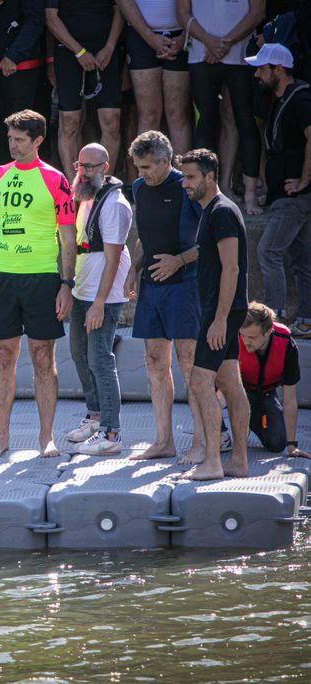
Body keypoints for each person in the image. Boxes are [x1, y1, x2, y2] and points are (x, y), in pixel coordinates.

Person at [0, 109, 76, 459]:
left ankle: (46, 437)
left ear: (38, 141)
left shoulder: (55, 179)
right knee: (3, 356)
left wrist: (66, 283)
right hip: (2, 274)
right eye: (10, 138)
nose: (12, 145)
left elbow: (67, 235)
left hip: (42, 276)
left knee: (43, 356)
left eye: (19, 139)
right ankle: (1, 437)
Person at [124, 130, 207, 462]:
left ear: (164, 161)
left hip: (185, 283)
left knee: (189, 364)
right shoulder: (139, 188)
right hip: (152, 286)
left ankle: (202, 441)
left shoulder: (187, 187)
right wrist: (134, 268)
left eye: (146, 167)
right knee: (154, 362)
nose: (141, 174)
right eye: (137, 168)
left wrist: (179, 261)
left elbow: (213, 241)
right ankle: (163, 440)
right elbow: (145, 235)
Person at [178, 148, 250, 481]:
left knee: (200, 380)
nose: (185, 184)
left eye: (191, 177)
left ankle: (212, 462)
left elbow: (232, 268)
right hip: (220, 308)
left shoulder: (221, 212)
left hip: (223, 310)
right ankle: (238, 461)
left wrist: (220, 319)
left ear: (210, 176)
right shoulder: (209, 211)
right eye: (185, 177)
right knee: (230, 383)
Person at [66, 142, 132, 455]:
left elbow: (114, 257)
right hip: (83, 287)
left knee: (100, 359)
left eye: (91, 166)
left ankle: (111, 432)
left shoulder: (115, 204)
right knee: (78, 353)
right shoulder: (84, 196)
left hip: (103, 294)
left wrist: (99, 304)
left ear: (105, 168)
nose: (84, 171)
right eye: (81, 165)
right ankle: (94, 416)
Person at [246, 43, 311, 339]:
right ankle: (306, 321)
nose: (257, 74)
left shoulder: (300, 98)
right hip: (285, 196)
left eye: (262, 68)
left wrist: (303, 181)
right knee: (302, 258)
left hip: (295, 197)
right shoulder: (278, 100)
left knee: (268, 250)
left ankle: (273, 318)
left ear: (279, 70)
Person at [179, 0, 264, 216]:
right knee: (206, 120)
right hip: (201, 53)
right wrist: (210, 42)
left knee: (244, 120)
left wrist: (224, 43)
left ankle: (248, 195)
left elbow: (257, 12)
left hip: (240, 56)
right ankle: (204, 192)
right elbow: (182, 12)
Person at [45, 0, 124, 181]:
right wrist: (79, 52)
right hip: (68, 52)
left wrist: (110, 47)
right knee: (69, 122)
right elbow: (50, 17)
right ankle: (76, 187)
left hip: (106, 52)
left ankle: (103, 186)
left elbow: (120, 9)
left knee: (112, 121)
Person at [114, 0, 190, 155]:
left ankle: (183, 176)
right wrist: (149, 37)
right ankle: (146, 175)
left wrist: (185, 35)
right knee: (148, 114)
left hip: (181, 35)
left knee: (178, 114)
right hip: (140, 35)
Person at [0, 0, 45, 170]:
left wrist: (14, 55)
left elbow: (35, 20)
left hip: (20, 66)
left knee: (21, 128)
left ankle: (25, 175)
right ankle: (0, 176)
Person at [237, 301, 310, 457]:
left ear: (268, 331)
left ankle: (254, 421)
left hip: (267, 393)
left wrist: (292, 445)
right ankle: (225, 434)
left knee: (277, 443)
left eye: (252, 337)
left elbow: (289, 398)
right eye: (243, 335)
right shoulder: (235, 339)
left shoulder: (286, 343)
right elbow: (224, 388)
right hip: (238, 391)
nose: (246, 341)